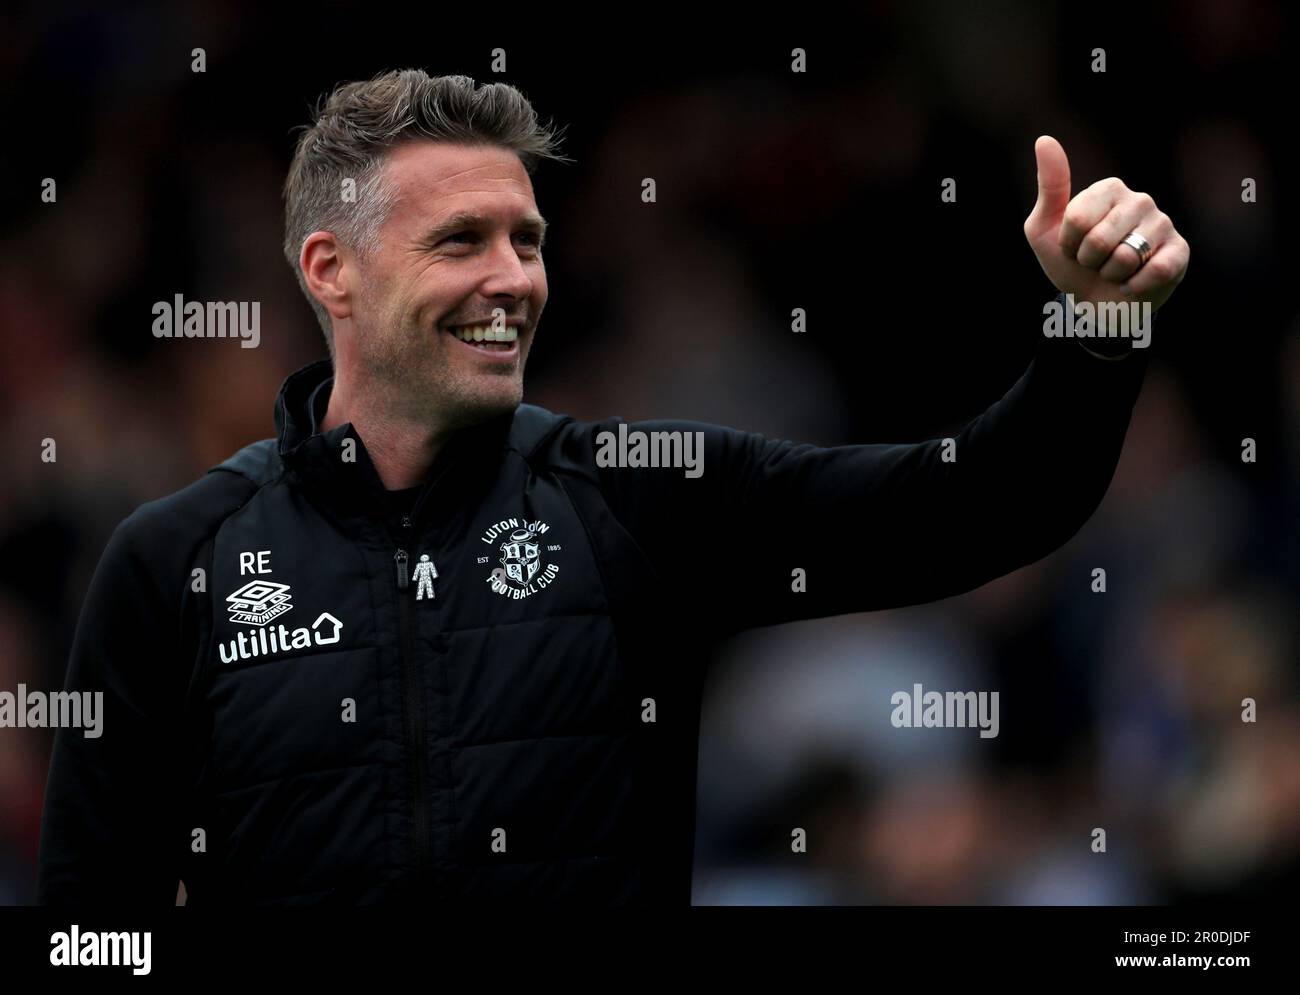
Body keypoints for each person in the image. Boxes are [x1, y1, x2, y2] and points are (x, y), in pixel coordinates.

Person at [36, 70, 1188, 906]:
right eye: (461, 241)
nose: (513, 279)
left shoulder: (638, 499)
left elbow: (976, 506)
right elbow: (86, 935)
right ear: (329, 271)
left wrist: (1097, 324)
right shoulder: (173, 561)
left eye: (527, 240)